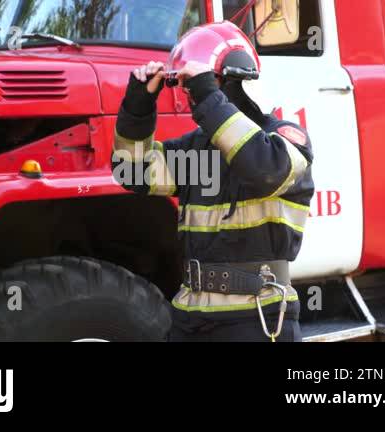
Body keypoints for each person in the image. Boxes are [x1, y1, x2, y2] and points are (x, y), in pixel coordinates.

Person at [111, 21, 314, 342]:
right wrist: (138, 108)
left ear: (236, 80)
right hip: (190, 316)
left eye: (201, 85)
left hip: (256, 314)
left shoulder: (284, 139)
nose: (192, 97)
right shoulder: (197, 148)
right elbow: (131, 172)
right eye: (190, 88)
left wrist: (209, 94)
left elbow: (264, 170)